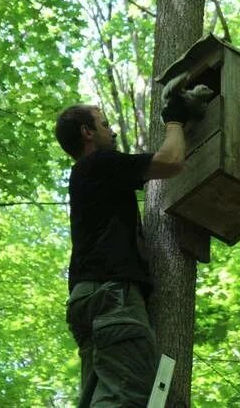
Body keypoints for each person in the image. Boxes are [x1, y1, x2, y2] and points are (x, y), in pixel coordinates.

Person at [54, 95, 189, 407]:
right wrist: (175, 121)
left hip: (86, 301)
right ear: (87, 132)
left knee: (104, 397)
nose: (112, 132)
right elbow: (171, 161)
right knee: (126, 398)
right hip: (111, 295)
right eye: (104, 125)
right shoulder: (99, 163)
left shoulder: (90, 176)